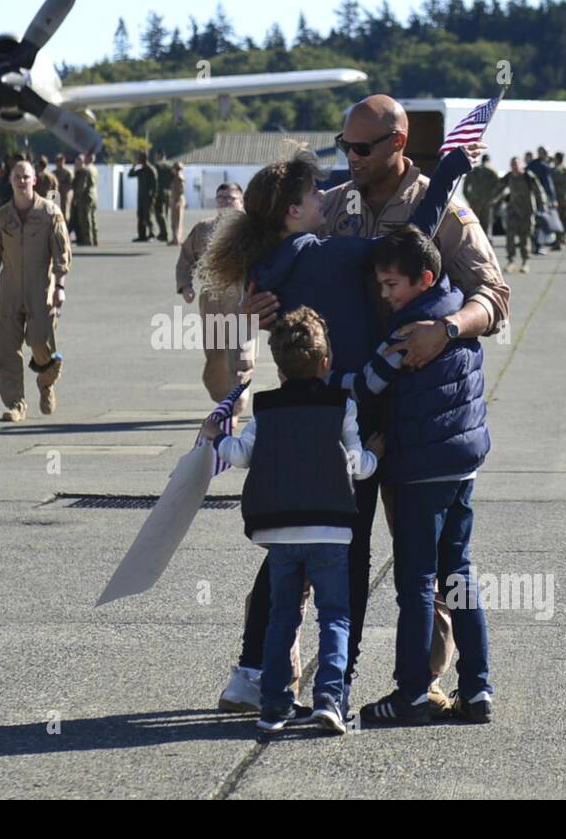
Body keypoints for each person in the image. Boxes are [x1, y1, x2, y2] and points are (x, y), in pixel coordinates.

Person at [231, 95, 509, 717]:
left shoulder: (447, 213)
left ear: (398, 144)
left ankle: (430, 680)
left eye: (361, 149)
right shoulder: (332, 205)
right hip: (344, 410)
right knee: (317, 542)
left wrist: (451, 328)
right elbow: (278, 257)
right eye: (344, 146)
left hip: (415, 415)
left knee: (432, 565)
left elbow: (493, 293)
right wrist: (261, 299)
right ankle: (263, 670)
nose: (349, 158)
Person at [337, 226, 493, 725]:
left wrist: (318, 380)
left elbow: (365, 385)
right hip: (462, 467)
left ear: (423, 278)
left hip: (419, 473)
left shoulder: (408, 332)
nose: (384, 295)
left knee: (417, 585)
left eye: (391, 285)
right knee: (460, 578)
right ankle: (478, 690)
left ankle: (410, 696)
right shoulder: (457, 315)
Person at [202, 306, 377, 734]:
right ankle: (330, 699)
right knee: (334, 615)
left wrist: (216, 437)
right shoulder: (342, 406)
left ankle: (275, 706)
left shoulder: (267, 409)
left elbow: (241, 457)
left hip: (279, 531)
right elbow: (358, 465)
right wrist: (377, 453)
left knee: (283, 616)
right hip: (331, 530)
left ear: (279, 370)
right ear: (326, 362)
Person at [0, 160, 70, 421]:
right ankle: (16, 404)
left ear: (35, 181)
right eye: (17, 177)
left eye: (26, 176)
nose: (22, 181)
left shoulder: (50, 213)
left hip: (40, 289)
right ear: (10, 181)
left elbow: (62, 254)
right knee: (5, 349)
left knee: (41, 344)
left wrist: (60, 287)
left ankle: (46, 382)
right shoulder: (1, 217)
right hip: (8, 290)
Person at [176, 181, 254, 413]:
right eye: (221, 199)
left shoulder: (252, 231)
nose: (226, 203)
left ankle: (237, 400)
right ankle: (225, 399)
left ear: (241, 201)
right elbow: (186, 259)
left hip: (242, 301)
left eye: (231, 198)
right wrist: (185, 286)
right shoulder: (203, 229)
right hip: (211, 300)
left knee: (242, 353)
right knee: (216, 355)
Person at [494, 156, 545, 273]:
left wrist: (543, 204)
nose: (515, 167)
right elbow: (499, 188)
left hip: (526, 212)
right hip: (513, 211)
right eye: (512, 164)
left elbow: (538, 191)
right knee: (510, 236)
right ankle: (511, 261)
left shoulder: (528, 176)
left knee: (524, 238)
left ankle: (525, 262)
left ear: (521, 165)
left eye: (517, 164)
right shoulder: (509, 176)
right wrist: (494, 200)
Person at [461, 153, 502, 237]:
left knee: (475, 225)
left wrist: (470, 200)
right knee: (486, 226)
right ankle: (487, 244)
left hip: (474, 202)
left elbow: (465, 188)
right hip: (487, 203)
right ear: (488, 160)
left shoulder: (473, 170)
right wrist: (494, 199)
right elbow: (500, 186)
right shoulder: (491, 171)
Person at [129, 151, 161, 242]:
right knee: (140, 216)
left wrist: (153, 197)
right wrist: (134, 165)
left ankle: (152, 234)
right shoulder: (141, 169)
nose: (139, 159)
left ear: (144, 158)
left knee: (148, 217)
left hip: (148, 197)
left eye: (140, 158)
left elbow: (155, 185)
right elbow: (130, 175)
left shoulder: (151, 169)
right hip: (141, 197)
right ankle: (141, 235)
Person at [71, 152, 99, 246]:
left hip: (85, 197)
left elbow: (82, 186)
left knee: (85, 219)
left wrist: (76, 197)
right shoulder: (94, 168)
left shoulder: (85, 170)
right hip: (94, 195)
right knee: (92, 218)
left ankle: (87, 239)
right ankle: (95, 238)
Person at [154, 150, 174, 244]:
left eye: (156, 155)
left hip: (160, 191)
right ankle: (164, 232)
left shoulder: (158, 166)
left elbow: (155, 180)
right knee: (166, 212)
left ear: (159, 155)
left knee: (158, 212)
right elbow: (173, 178)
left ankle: (163, 233)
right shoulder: (170, 166)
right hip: (169, 191)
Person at [54, 153, 75, 236]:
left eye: (61, 161)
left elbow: (71, 184)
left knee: (66, 214)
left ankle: (66, 231)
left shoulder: (67, 172)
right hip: (57, 195)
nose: (59, 163)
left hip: (65, 195)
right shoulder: (54, 172)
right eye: (58, 161)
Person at [168, 161, 187, 245]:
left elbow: (181, 191)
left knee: (178, 221)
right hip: (175, 200)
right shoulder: (176, 177)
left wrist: (178, 202)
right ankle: (174, 238)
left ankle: (177, 239)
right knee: (173, 221)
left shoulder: (179, 178)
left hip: (178, 200)